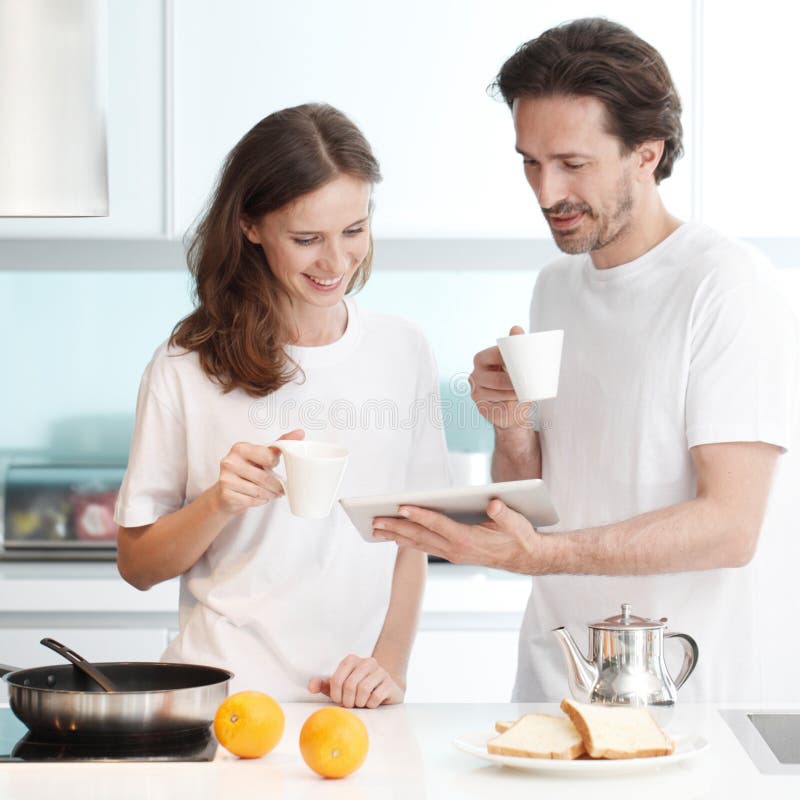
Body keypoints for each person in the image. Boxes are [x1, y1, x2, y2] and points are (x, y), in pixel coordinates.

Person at [373, 18, 799, 702]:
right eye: (530, 163)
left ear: (647, 154)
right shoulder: (556, 286)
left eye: (573, 164)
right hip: (554, 681)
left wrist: (545, 557)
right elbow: (540, 502)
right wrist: (511, 423)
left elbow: (730, 525)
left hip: (678, 693)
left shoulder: (727, 287)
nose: (546, 194)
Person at [114, 103, 450, 707]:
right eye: (305, 239)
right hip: (222, 702)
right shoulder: (185, 367)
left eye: (354, 230)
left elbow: (414, 537)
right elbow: (137, 565)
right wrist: (220, 503)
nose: (336, 262)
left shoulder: (404, 349)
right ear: (250, 226)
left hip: (354, 709)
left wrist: (388, 666)